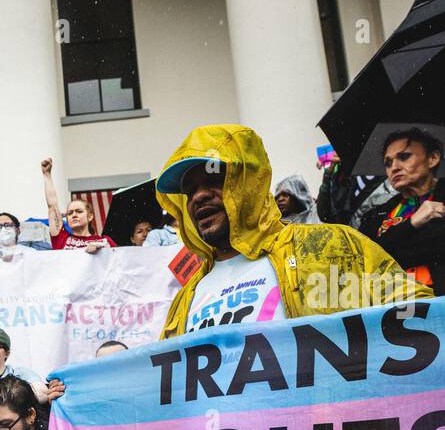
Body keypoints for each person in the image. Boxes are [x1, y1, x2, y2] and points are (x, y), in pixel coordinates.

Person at [154, 124, 430, 339]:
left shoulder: (330, 248)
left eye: (214, 179)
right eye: (189, 191)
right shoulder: (185, 298)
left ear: (249, 182)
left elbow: (421, 320)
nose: (199, 196)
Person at [358, 128, 445, 295]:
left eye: (404, 157)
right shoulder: (376, 214)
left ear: (433, 158)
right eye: (388, 163)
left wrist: (393, 249)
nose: (394, 168)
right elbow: (366, 260)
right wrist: (412, 223)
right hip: (401, 311)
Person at [43, 159, 116, 252]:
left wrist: (103, 252)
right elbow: (52, 206)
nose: (74, 215)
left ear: (90, 217)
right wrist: (47, 175)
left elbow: (120, 261)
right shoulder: (61, 239)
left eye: (79, 211)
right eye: (69, 213)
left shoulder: (105, 241)